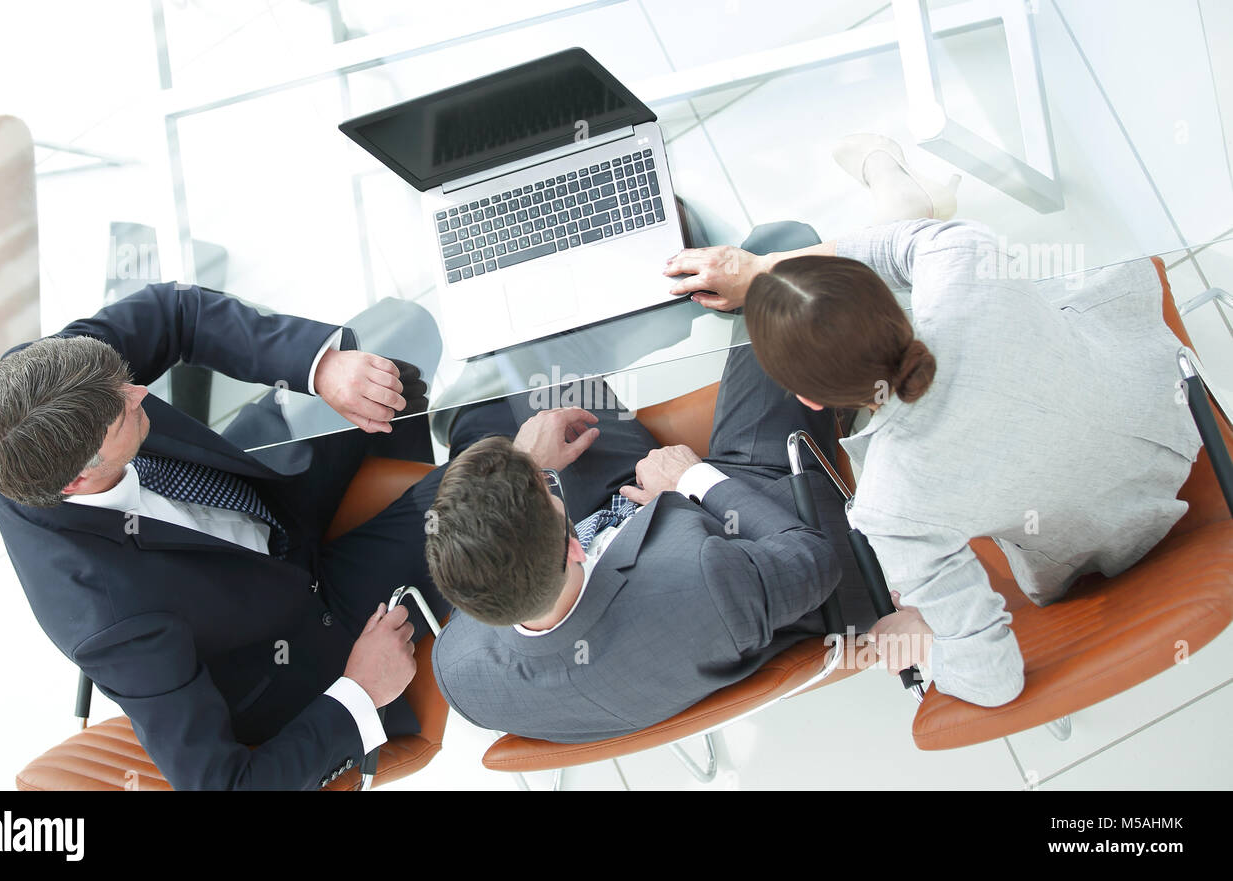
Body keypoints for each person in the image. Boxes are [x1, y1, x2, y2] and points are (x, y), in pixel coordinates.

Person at [664, 218, 1201, 707]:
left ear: (807, 400)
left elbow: (994, 681)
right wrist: (760, 266)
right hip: (1175, 393)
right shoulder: (966, 272)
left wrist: (923, 634)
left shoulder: (893, 509)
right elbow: (910, 241)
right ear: (892, 298)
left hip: (1128, 531)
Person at [0, 282, 478, 789]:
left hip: (267, 497)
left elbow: (174, 313)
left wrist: (320, 368)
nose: (140, 389)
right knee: (496, 483)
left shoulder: (39, 388)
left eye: (124, 378)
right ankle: (479, 513)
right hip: (305, 639)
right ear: (77, 479)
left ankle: (435, 501)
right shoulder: (115, 624)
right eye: (126, 410)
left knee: (387, 374)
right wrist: (359, 692)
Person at [422, 222, 876, 743]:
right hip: (740, 513)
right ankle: (823, 379)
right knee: (781, 255)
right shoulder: (706, 583)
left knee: (530, 344)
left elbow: (502, 560)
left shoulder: (462, 677)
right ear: (572, 546)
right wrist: (693, 480)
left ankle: (659, 265)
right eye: (548, 491)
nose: (548, 480)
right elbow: (812, 561)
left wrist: (531, 463)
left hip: (619, 518)